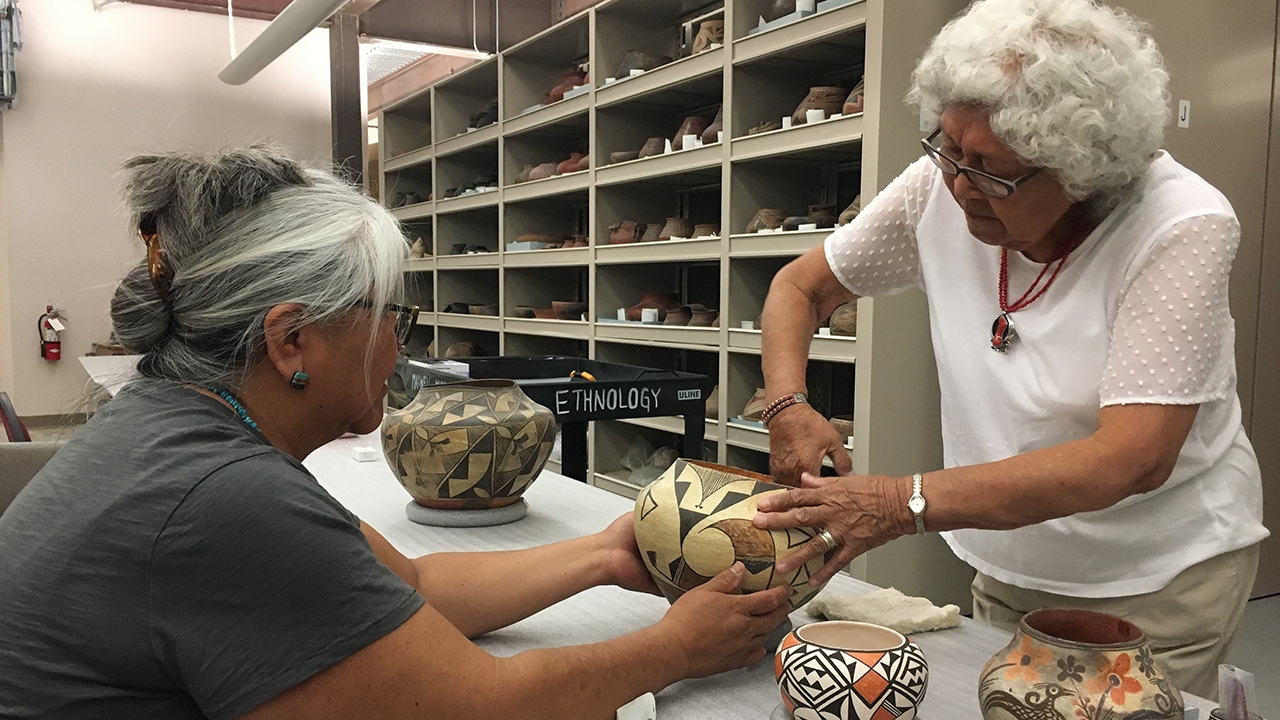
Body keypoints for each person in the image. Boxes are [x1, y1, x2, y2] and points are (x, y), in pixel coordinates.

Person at [0, 146, 792, 720]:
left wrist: (600, 555)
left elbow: (407, 589)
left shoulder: (186, 426)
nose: (400, 346)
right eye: (389, 317)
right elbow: (477, 709)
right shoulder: (224, 498)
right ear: (291, 342)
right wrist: (676, 650)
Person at [751, 0, 1266, 699]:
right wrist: (788, 404)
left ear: (1082, 168)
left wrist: (900, 502)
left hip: (1155, 579)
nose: (959, 184)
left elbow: (1134, 457)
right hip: (1008, 555)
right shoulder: (943, 183)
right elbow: (799, 288)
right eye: (949, 148)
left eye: (991, 170)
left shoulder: (1181, 224)